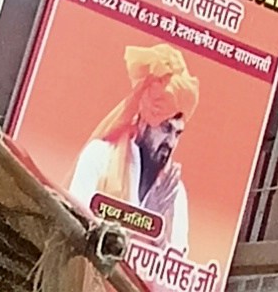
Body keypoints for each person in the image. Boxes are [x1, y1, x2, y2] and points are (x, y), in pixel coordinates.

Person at [67, 40, 198, 248]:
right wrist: (147, 218)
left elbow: (174, 270)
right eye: (165, 129)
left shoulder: (175, 192)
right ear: (145, 119)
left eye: (177, 133)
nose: (171, 142)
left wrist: (156, 232)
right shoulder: (99, 158)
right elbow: (73, 230)